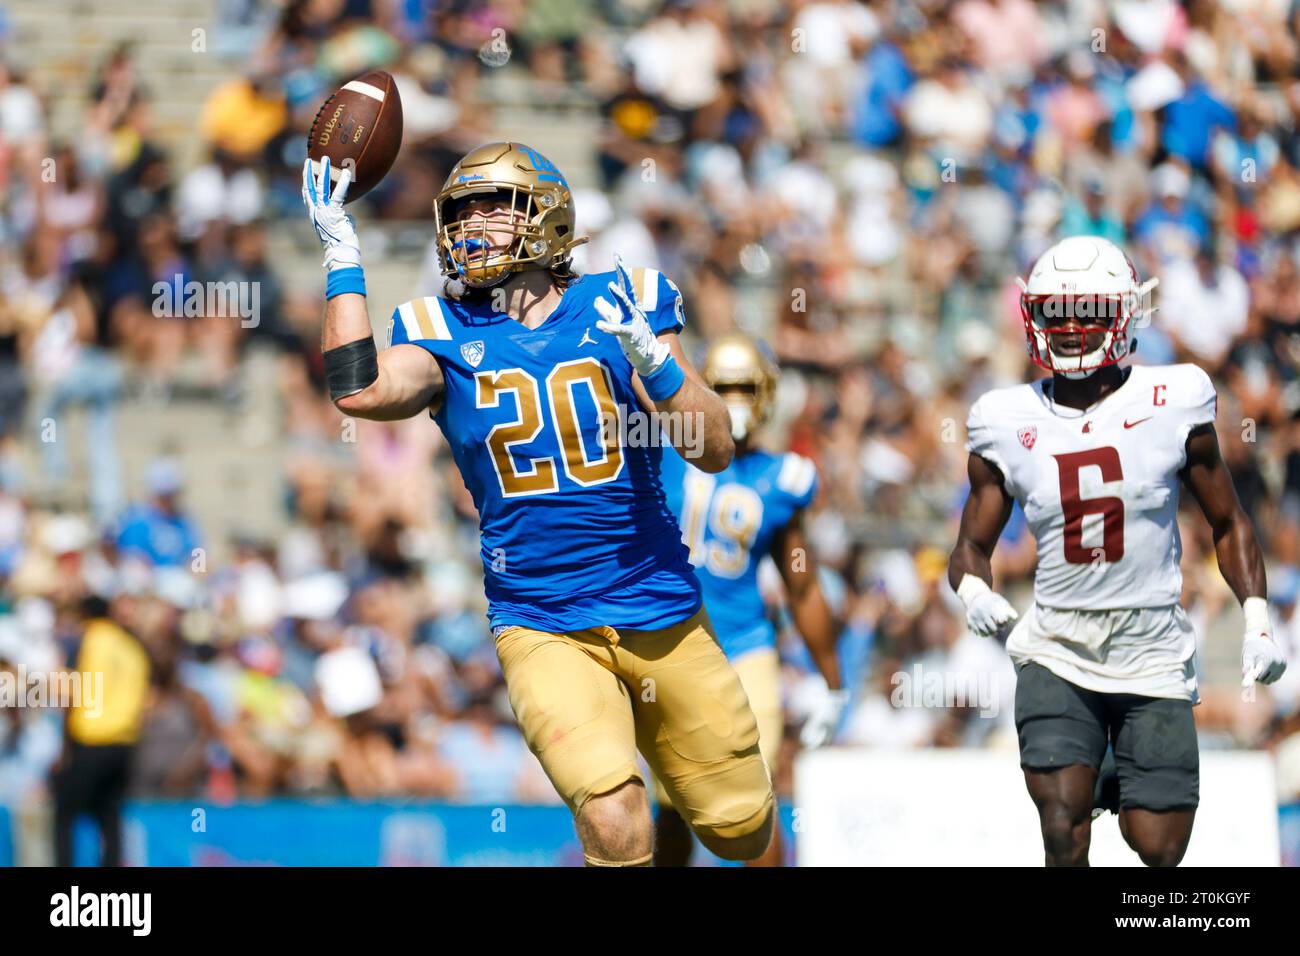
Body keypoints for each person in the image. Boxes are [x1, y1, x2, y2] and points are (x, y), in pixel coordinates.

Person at [300, 142, 773, 866]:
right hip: (541, 620)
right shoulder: (441, 328)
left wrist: (654, 360)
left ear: (546, 216)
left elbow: (711, 448)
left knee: (742, 829)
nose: (472, 225)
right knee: (615, 815)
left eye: (493, 206)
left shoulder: (624, 300)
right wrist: (341, 254)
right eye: (461, 212)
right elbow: (358, 388)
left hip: (658, 607)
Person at [948, 235, 1287, 867]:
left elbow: (1229, 521)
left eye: (1091, 311)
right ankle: (1083, 766)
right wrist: (972, 588)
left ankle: (1107, 767)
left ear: (1127, 312)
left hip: (1151, 648)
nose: (1072, 328)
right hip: (1057, 647)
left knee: (1158, 849)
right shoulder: (1003, 418)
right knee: (1061, 824)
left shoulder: (1175, 398)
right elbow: (970, 545)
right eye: (1055, 312)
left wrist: (1259, 619)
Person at [652, 332, 844, 866]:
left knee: (755, 799)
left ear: (767, 393)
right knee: (671, 807)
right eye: (722, 386)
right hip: (669, 648)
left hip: (744, 646)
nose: (734, 399)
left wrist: (833, 680)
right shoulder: (661, 453)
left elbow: (801, 584)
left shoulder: (783, 478)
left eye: (744, 386)